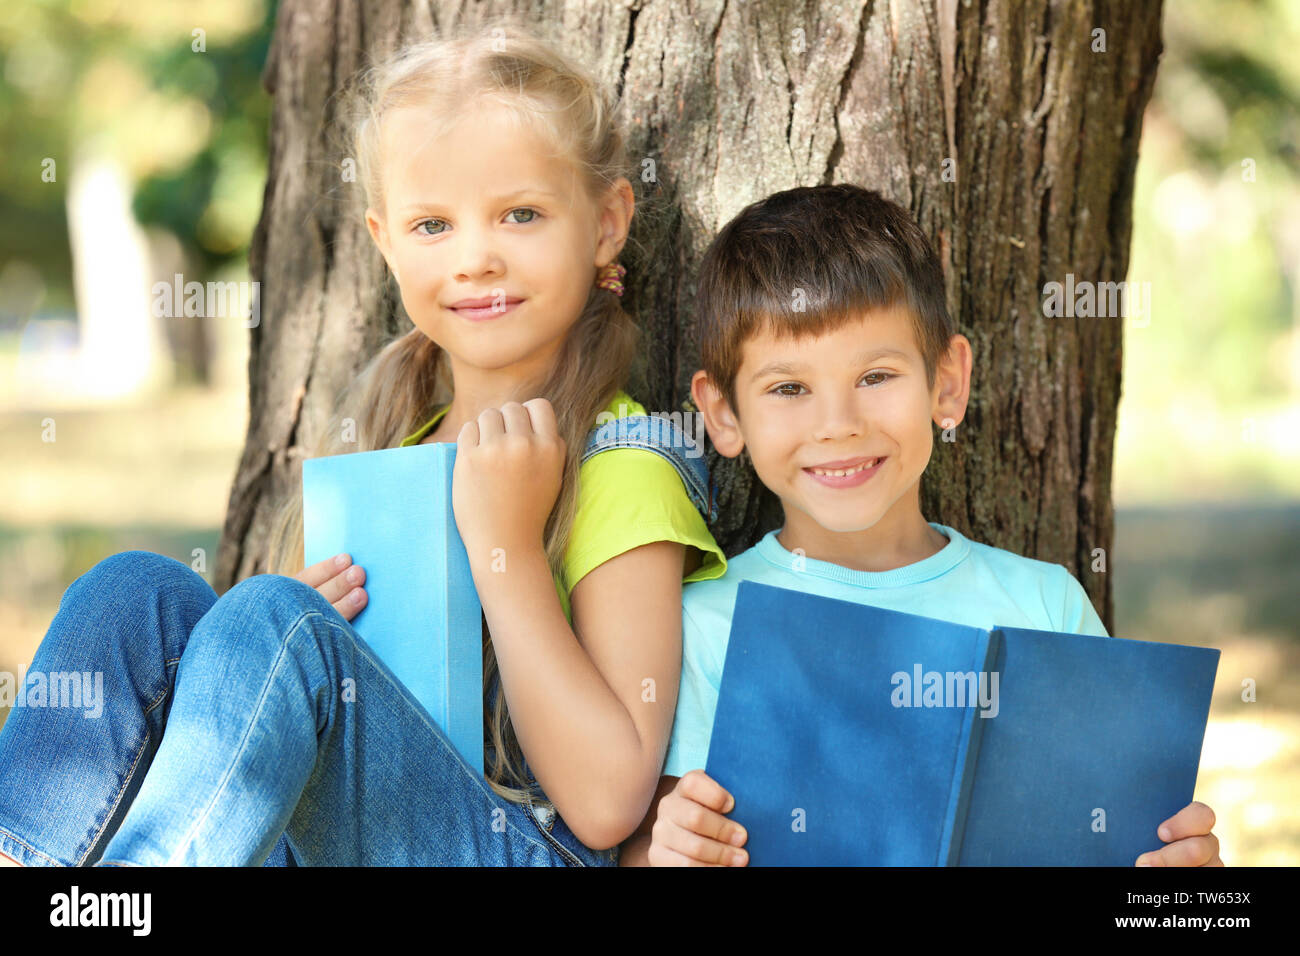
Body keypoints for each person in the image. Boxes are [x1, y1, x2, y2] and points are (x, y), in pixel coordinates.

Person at [0, 20, 725, 867]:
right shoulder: (395, 439)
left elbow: (607, 807)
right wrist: (281, 654)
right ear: (384, 244)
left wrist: (506, 550)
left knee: (275, 621)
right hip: (346, 835)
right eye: (432, 226)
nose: (476, 257)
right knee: (137, 594)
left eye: (520, 214)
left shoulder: (624, 460)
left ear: (606, 224)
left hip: (523, 849)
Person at [618, 183, 1222, 867]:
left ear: (946, 383)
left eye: (876, 376)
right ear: (723, 412)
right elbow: (661, 842)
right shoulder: (702, 627)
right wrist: (667, 853)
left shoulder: (1045, 605)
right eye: (789, 388)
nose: (837, 422)